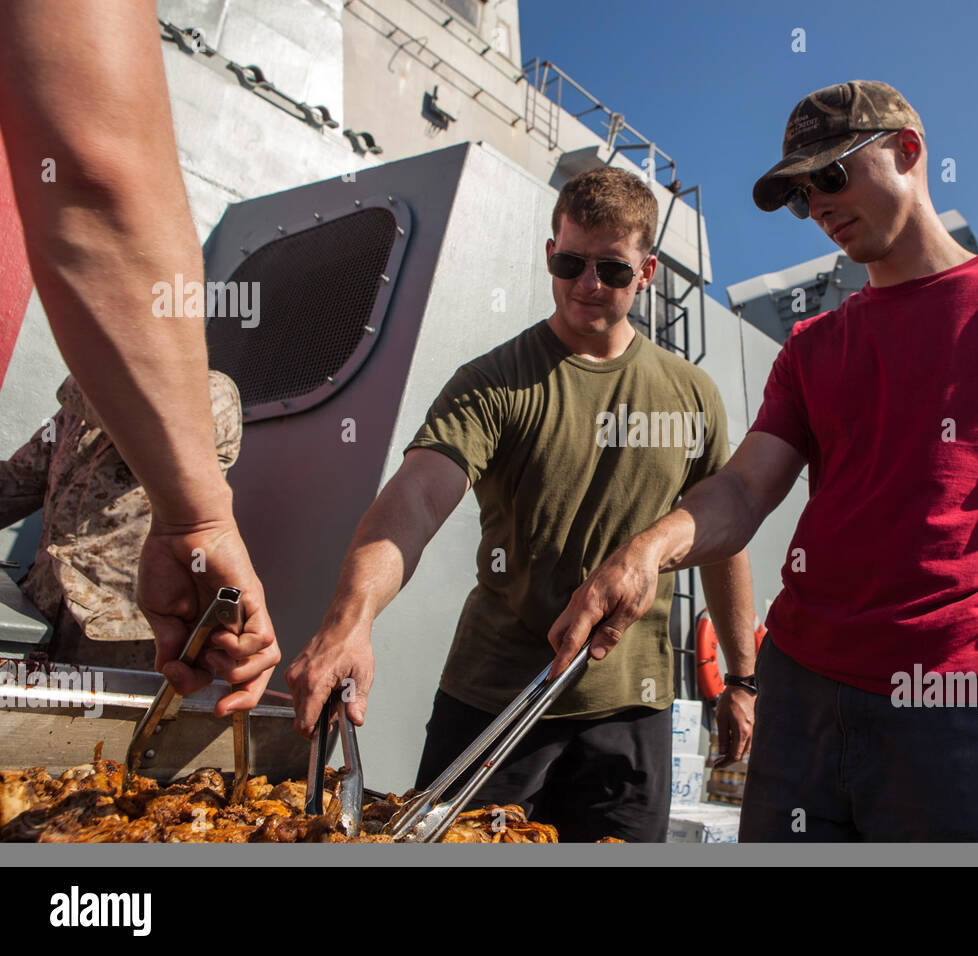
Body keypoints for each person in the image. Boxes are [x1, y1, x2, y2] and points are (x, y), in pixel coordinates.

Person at [548, 81, 978, 842]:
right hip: (799, 699)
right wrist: (647, 552)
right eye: (802, 195)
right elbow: (741, 489)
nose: (820, 206)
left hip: (957, 712)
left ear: (908, 151)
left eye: (831, 175)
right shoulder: (811, 348)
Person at [286, 166, 758, 842]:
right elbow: (416, 498)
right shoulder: (493, 383)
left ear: (647, 272)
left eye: (613, 270)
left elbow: (723, 537)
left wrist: (742, 680)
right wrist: (347, 622)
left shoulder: (691, 395)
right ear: (548, 254)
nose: (588, 284)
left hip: (630, 714)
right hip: (492, 703)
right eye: (570, 262)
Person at [0, 0, 278, 714]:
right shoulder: (80, 391)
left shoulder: (206, 399)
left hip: (117, 623)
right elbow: (29, 475)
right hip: (45, 603)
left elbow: (96, 174)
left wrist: (196, 531)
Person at [1, 373, 241, 670]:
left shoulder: (210, 391)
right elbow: (17, 482)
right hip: (42, 613)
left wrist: (87, 366)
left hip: (121, 637)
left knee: (102, 716)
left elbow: (144, 421)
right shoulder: (72, 415)